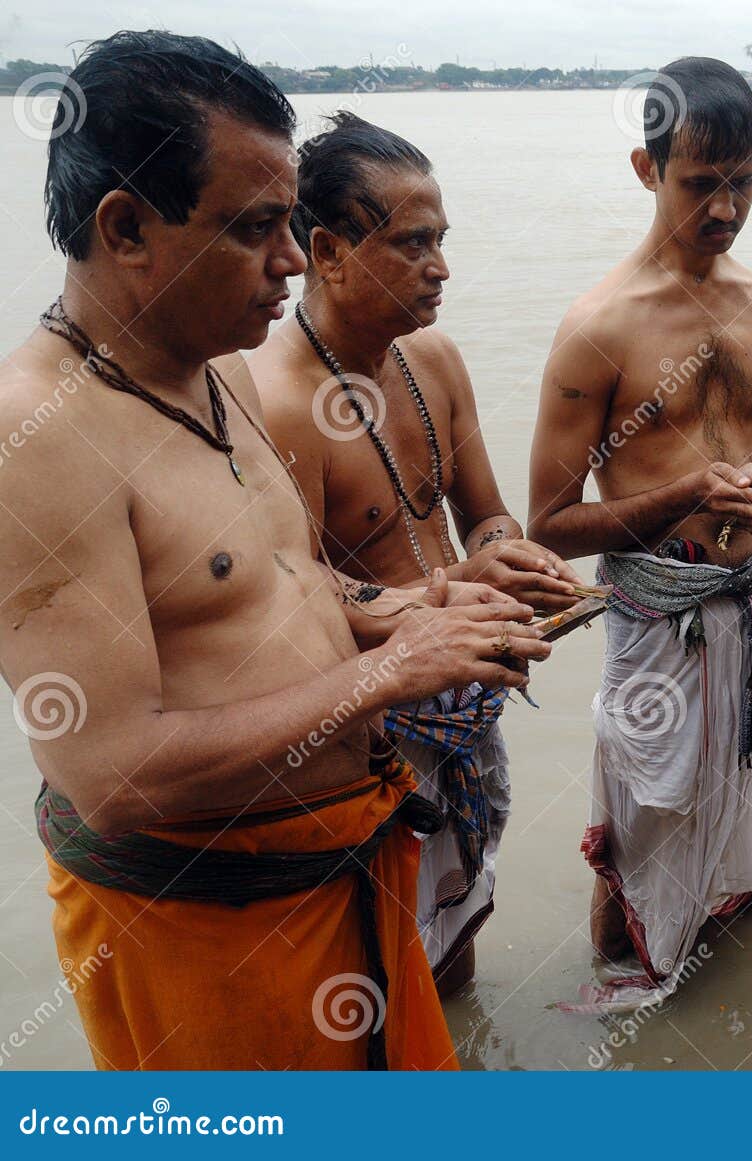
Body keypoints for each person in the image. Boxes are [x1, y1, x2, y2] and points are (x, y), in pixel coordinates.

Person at [0, 31, 551, 1070]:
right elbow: (110, 772)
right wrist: (387, 673)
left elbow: (283, 580)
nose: (293, 261)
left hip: (345, 872)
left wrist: (417, 610)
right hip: (212, 931)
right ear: (125, 228)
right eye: (255, 228)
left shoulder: (217, 370)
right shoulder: (38, 436)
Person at [248, 112, 580, 997]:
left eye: (442, 240)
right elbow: (286, 591)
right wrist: (454, 585)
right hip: (372, 730)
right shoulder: (277, 400)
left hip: (468, 702)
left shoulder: (433, 358)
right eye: (413, 243)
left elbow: (488, 515)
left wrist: (510, 563)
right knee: (382, 964)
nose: (441, 268)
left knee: (462, 927)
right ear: (327, 252)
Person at [527, 57, 752, 1006]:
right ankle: (630, 997)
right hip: (658, 617)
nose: (726, 208)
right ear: (646, 169)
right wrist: (690, 490)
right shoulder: (598, 327)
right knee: (643, 814)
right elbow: (551, 524)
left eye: (745, 182)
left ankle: (741, 996)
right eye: (701, 182)